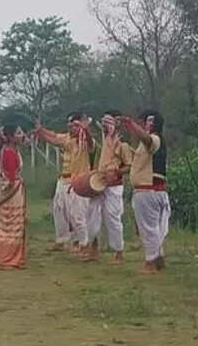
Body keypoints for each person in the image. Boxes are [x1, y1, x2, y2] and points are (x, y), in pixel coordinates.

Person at [34, 112, 94, 253]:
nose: (71, 127)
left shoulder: (84, 140)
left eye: (75, 125)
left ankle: (84, 243)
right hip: (63, 180)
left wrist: (85, 129)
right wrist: (40, 130)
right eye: (69, 124)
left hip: (79, 181)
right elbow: (53, 137)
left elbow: (91, 144)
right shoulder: (66, 138)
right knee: (59, 210)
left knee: (77, 214)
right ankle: (63, 240)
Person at [120, 111, 170, 274]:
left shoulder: (154, 139)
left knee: (148, 228)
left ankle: (150, 262)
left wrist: (133, 127)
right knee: (153, 228)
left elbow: (147, 139)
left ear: (153, 124)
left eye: (148, 122)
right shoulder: (151, 144)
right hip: (153, 190)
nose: (145, 125)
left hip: (148, 191)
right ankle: (158, 257)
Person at [85, 110, 132, 263]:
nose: (104, 125)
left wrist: (117, 171)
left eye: (108, 122)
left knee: (112, 218)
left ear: (116, 124)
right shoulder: (104, 141)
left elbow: (129, 166)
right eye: (103, 122)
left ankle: (119, 251)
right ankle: (93, 248)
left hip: (114, 185)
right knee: (92, 214)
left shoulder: (122, 144)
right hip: (99, 183)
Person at [0, 124, 27, 270]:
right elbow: (11, 176)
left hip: (12, 189)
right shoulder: (9, 151)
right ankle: (8, 258)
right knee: (11, 223)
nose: (22, 135)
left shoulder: (11, 149)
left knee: (12, 223)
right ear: (11, 137)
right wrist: (17, 182)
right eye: (19, 133)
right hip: (12, 191)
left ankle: (12, 257)